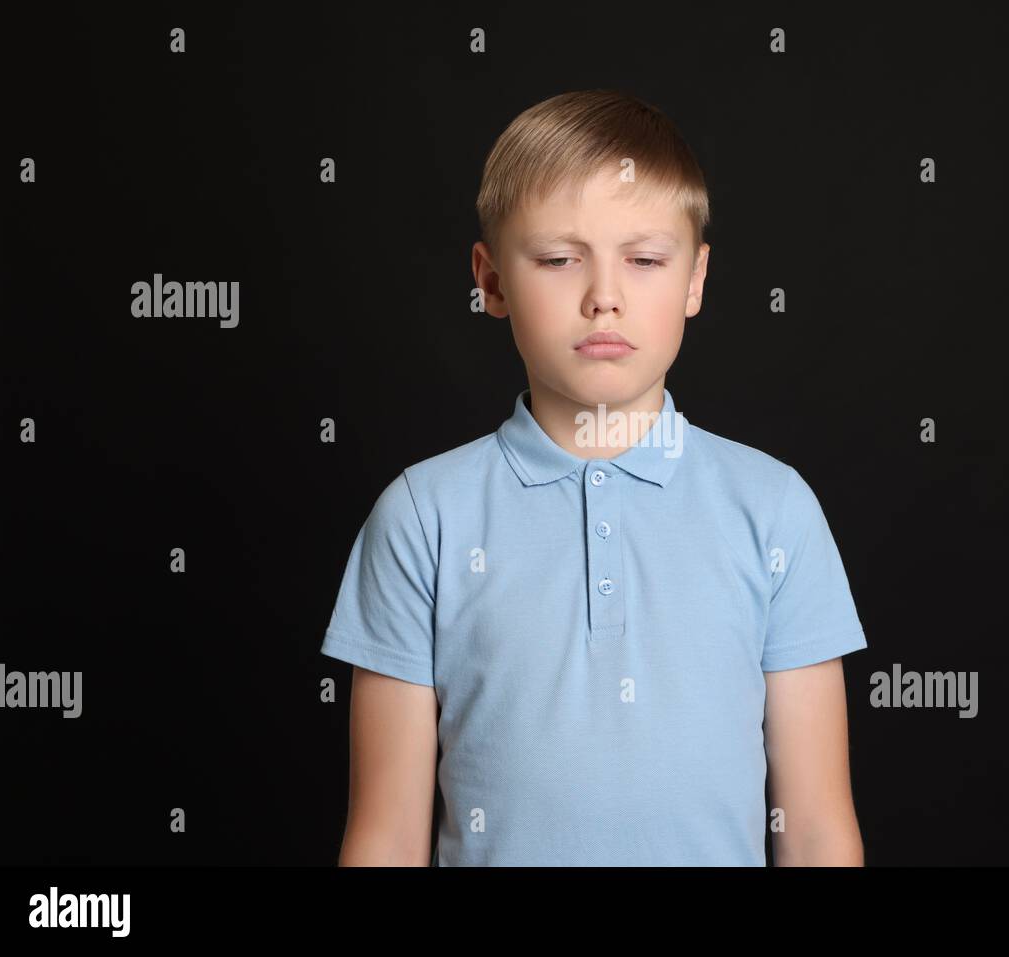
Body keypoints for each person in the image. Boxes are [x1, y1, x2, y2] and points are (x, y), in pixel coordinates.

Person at [321, 89, 868, 866]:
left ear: (695, 279)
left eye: (645, 260)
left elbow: (816, 830)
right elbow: (384, 836)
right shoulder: (421, 518)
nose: (603, 296)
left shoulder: (775, 510)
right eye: (556, 259)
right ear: (491, 280)